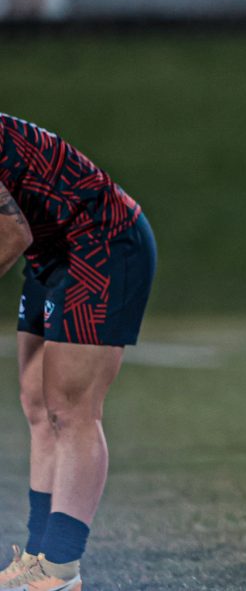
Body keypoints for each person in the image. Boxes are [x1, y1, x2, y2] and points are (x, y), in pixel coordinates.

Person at [0, 113, 157, 591]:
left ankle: (62, 568)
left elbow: (10, 233)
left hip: (101, 242)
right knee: (36, 402)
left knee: (72, 410)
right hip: (52, 252)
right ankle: (38, 556)